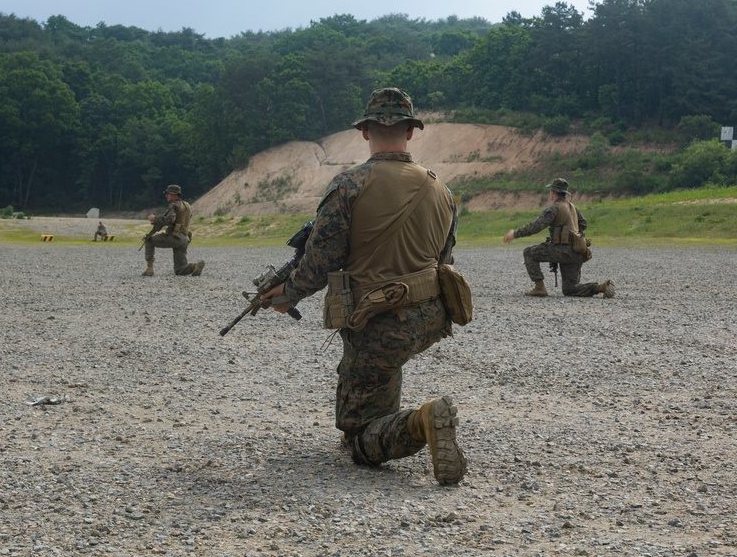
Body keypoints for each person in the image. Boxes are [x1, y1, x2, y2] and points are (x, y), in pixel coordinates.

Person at [261, 87, 467, 485]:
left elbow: (321, 262)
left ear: (365, 131)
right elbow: (446, 258)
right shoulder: (441, 190)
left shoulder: (349, 186)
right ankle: (385, 410)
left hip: (377, 321)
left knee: (359, 441)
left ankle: (419, 421)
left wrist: (286, 295)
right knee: (379, 367)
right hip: (429, 317)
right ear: (410, 132)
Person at [502, 178, 615, 298]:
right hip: (578, 252)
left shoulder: (555, 208)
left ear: (553, 192)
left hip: (563, 251)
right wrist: (574, 236)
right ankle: (602, 287)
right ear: (565, 193)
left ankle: (539, 288)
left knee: (529, 252)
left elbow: (536, 226)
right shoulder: (572, 207)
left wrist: (515, 233)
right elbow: (583, 224)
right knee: (570, 290)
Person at [141, 184, 204, 277]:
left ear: (174, 194)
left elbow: (170, 219)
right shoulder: (187, 205)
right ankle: (195, 265)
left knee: (149, 240)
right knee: (180, 270)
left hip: (175, 237)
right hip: (185, 239)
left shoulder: (174, 205)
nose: (166, 195)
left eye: (168, 193)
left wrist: (155, 219)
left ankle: (149, 269)